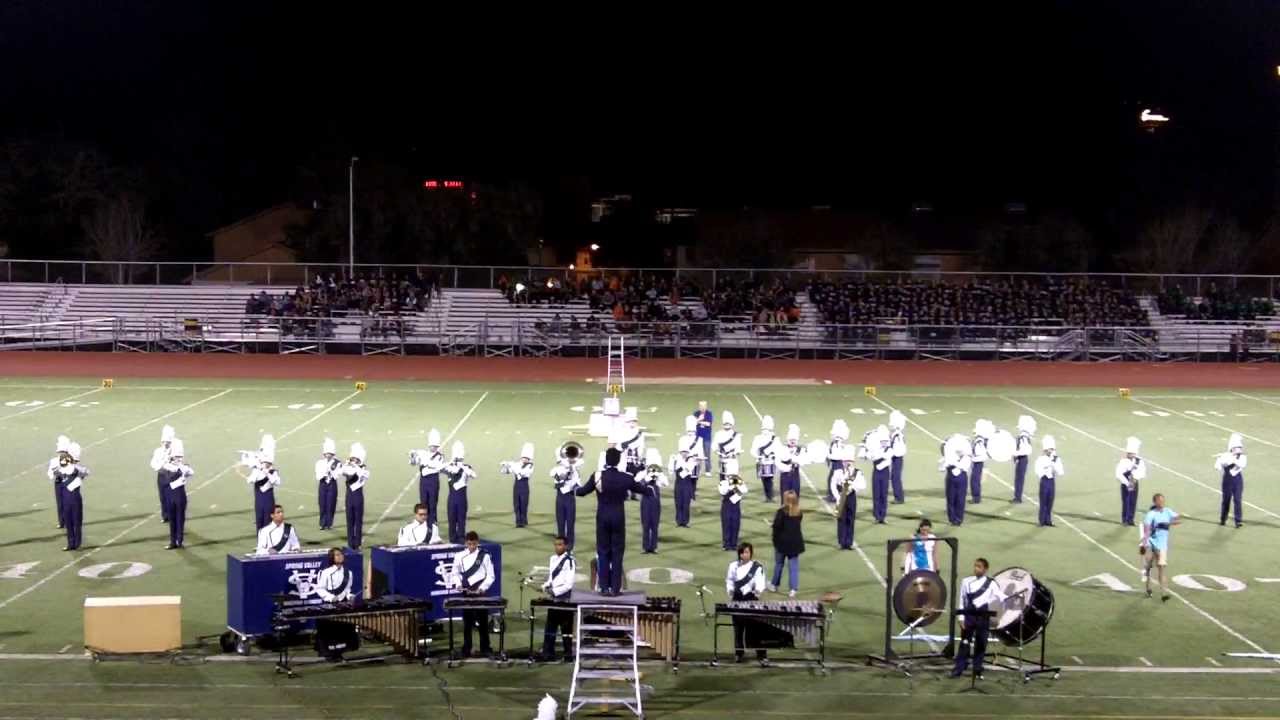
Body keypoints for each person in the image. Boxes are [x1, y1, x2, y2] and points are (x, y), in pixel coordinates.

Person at [575, 448, 652, 596]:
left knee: (602, 551)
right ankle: (616, 588)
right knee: (617, 552)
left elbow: (582, 491)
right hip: (618, 517)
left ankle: (604, 587)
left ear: (606, 460)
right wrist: (650, 486)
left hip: (602, 517)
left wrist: (573, 487)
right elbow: (643, 490)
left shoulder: (598, 476)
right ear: (618, 461)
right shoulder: (626, 477)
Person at [950, 557, 1006, 679]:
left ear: (985, 569)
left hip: (983, 616)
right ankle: (958, 668)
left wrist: (1011, 599)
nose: (976, 569)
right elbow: (962, 600)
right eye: (975, 566)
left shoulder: (991, 583)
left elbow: (1001, 598)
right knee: (965, 643)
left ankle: (977, 669)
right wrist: (961, 618)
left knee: (981, 644)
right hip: (969, 615)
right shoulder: (966, 581)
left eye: (979, 567)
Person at [449, 531, 496, 657]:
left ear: (477, 542)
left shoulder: (484, 556)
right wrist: (458, 584)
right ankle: (466, 648)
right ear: (466, 543)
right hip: (467, 592)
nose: (472, 547)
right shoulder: (459, 556)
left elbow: (490, 576)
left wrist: (482, 588)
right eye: (469, 544)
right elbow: (455, 573)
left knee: (483, 621)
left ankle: (485, 648)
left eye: (474, 544)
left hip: (480, 592)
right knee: (467, 622)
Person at [725, 542, 769, 666]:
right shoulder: (733, 566)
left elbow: (761, 582)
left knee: (756, 629)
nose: (746, 554)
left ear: (751, 553)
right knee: (738, 629)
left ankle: (761, 655)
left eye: (748, 552)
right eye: (743, 552)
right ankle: (739, 653)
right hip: (737, 600)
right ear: (739, 553)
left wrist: (757, 591)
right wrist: (730, 590)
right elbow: (729, 580)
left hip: (751, 599)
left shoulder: (757, 567)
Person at [539, 535, 576, 662]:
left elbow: (568, 584)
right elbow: (551, 578)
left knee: (566, 630)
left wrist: (554, 591)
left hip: (565, 600)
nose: (557, 547)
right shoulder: (553, 559)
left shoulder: (570, 561)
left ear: (565, 546)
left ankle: (568, 654)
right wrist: (545, 586)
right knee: (550, 627)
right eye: (555, 544)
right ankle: (548, 652)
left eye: (560, 544)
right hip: (554, 600)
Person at [1140, 493, 1180, 602]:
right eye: (1160, 501)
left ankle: (1163, 594)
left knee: (1161, 569)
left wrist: (1167, 523)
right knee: (1148, 568)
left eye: (1163, 500)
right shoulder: (1150, 514)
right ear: (1155, 502)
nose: (1162, 502)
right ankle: (1148, 588)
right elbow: (1147, 531)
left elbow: (1178, 519)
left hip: (1162, 546)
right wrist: (1144, 544)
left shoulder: (1168, 511)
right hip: (1151, 544)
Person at [159, 438, 194, 549]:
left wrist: (184, 469)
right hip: (170, 496)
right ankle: (173, 542)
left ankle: (180, 541)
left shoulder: (183, 467)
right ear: (172, 457)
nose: (179, 459)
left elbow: (192, 472)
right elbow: (166, 483)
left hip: (180, 497)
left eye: (180, 457)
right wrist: (179, 478)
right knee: (172, 520)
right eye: (177, 457)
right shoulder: (166, 467)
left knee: (180, 519)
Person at [769, 490, 806, 597]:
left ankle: (774, 585)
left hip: (782, 543)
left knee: (779, 564)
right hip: (795, 543)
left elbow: (777, 527)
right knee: (793, 567)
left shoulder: (781, 512)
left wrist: (773, 528)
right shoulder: (799, 512)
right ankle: (793, 590)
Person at [53, 441, 88, 551]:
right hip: (66, 500)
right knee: (68, 523)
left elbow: (86, 472)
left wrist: (76, 466)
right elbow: (55, 472)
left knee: (76, 522)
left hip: (75, 500)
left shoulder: (76, 470)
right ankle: (70, 543)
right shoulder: (60, 472)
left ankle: (77, 544)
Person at [244, 434, 282, 531]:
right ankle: (260, 543)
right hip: (259, 497)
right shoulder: (257, 471)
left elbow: (277, 482)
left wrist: (267, 473)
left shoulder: (273, 472)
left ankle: (268, 542)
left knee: (268, 519)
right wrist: (258, 470)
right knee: (259, 518)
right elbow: (250, 480)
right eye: (264, 462)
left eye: (267, 463)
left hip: (268, 497)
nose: (265, 464)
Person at [830, 448, 866, 550]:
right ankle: (841, 541)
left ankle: (849, 542)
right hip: (841, 496)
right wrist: (837, 496)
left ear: (853, 462)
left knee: (851, 519)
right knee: (841, 519)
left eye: (850, 461)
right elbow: (833, 484)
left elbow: (863, 485)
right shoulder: (838, 472)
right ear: (842, 462)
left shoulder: (857, 473)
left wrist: (853, 487)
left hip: (851, 497)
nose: (848, 463)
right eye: (846, 461)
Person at [409, 429, 446, 526]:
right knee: (423, 503)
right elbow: (413, 463)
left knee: (432, 504)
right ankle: (423, 523)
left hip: (433, 480)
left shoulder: (440, 456)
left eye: (435, 446)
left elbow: (438, 467)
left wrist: (426, 462)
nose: (433, 447)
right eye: (432, 446)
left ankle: (433, 523)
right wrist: (412, 456)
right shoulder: (423, 453)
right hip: (424, 481)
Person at [443, 441, 477, 544]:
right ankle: (452, 538)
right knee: (452, 519)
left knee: (461, 519)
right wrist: (450, 463)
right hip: (452, 497)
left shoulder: (466, 467)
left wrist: (462, 466)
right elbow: (438, 469)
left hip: (462, 498)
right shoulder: (449, 467)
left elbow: (474, 475)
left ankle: (461, 538)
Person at [639, 448, 669, 553]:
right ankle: (646, 547)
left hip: (655, 501)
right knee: (646, 524)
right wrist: (646, 476)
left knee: (655, 524)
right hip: (646, 501)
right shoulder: (643, 473)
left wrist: (659, 476)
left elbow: (666, 483)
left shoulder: (659, 474)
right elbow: (636, 481)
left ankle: (654, 547)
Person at [1215, 433, 1247, 528]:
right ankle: (1223, 518)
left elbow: (1242, 465)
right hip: (1227, 481)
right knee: (1226, 500)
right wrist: (1219, 460)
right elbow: (1217, 467)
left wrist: (1233, 460)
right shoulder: (1225, 456)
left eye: (1240, 448)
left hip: (1238, 480)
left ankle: (1238, 521)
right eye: (1237, 448)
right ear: (1232, 448)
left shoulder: (1243, 457)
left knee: (1237, 500)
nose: (1239, 450)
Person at [340, 443, 368, 549]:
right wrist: (346, 464)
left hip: (358, 496)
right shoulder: (347, 467)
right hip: (349, 496)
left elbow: (362, 476)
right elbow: (343, 472)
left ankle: (358, 542)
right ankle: (350, 542)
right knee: (350, 520)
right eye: (352, 458)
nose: (353, 460)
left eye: (355, 459)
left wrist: (355, 466)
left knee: (358, 520)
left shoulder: (363, 468)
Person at [501, 442, 536, 528]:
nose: (524, 459)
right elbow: (504, 472)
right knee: (516, 503)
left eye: (526, 458)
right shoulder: (516, 464)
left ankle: (524, 520)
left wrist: (512, 465)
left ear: (529, 459)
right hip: (516, 485)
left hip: (524, 484)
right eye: (523, 458)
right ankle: (518, 521)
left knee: (524, 503)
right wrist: (505, 466)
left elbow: (522, 473)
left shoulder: (530, 466)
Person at [940, 435, 972, 526]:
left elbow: (965, 466)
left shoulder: (966, 457)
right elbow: (942, 468)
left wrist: (952, 462)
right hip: (951, 475)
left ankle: (959, 518)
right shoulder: (950, 456)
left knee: (960, 499)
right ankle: (952, 518)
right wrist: (945, 463)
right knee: (950, 498)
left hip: (961, 476)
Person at [1115, 436, 1145, 526]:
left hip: (1134, 481)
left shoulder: (1139, 461)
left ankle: (1131, 519)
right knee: (1126, 501)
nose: (1130, 454)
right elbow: (1118, 473)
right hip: (1126, 482)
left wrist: (1135, 478)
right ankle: (1125, 519)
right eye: (1129, 453)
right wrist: (1127, 483)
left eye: (1132, 453)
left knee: (1133, 500)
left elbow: (1142, 471)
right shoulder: (1123, 461)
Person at [1035, 435, 1065, 527]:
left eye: (1051, 449)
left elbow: (1061, 472)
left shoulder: (1056, 459)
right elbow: (1037, 470)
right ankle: (1041, 520)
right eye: (1048, 449)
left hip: (1052, 481)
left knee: (1050, 501)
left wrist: (1054, 464)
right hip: (1044, 481)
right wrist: (1044, 471)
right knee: (1043, 501)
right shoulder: (1041, 459)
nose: (1050, 451)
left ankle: (1048, 520)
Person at [149, 425, 176, 523]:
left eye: (167, 442)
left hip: (171, 476)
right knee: (162, 496)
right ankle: (165, 516)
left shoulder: (174, 452)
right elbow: (153, 463)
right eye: (163, 442)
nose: (165, 444)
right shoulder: (158, 451)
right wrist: (159, 467)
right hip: (161, 476)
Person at [751, 415, 780, 502]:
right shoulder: (757, 438)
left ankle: (770, 496)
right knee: (764, 479)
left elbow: (778, 450)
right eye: (764, 429)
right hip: (761, 462)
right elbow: (752, 450)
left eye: (767, 430)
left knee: (770, 479)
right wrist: (758, 456)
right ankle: (768, 496)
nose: (765, 431)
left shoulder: (775, 439)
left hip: (770, 461)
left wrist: (774, 456)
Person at [867, 425, 892, 524]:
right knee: (876, 495)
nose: (884, 443)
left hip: (884, 473)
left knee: (884, 495)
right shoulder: (876, 449)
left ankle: (883, 516)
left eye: (885, 441)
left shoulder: (889, 450)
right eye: (882, 441)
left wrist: (879, 456)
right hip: (876, 473)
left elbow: (888, 460)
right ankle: (877, 516)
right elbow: (871, 457)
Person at [314, 438, 341, 531]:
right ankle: (322, 523)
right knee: (322, 504)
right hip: (323, 484)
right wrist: (325, 472)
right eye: (327, 453)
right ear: (324, 454)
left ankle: (329, 523)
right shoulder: (319, 463)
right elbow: (318, 476)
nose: (328, 455)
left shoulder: (337, 463)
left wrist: (330, 470)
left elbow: (337, 475)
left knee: (331, 504)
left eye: (330, 453)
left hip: (332, 484)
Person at [718, 470, 748, 551]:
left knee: (735, 524)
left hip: (736, 506)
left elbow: (745, 490)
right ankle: (726, 544)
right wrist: (731, 485)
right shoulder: (723, 482)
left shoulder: (739, 481)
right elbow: (722, 491)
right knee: (726, 525)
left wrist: (738, 484)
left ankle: (734, 544)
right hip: (726, 506)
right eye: (730, 475)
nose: (732, 477)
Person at [47, 435, 71, 529]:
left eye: (63, 452)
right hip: (58, 483)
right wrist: (53, 474)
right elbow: (49, 472)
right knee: (60, 503)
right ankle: (62, 522)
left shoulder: (70, 461)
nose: (61, 454)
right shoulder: (53, 461)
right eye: (60, 452)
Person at [671, 446, 698, 527]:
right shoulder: (677, 460)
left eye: (686, 452)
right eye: (683, 452)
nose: (684, 454)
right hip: (678, 483)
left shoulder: (691, 461)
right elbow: (671, 470)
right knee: (678, 503)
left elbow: (688, 471)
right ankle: (679, 521)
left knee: (686, 503)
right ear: (680, 452)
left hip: (687, 483)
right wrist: (672, 460)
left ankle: (685, 521)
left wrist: (691, 460)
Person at [1012, 415, 1036, 503]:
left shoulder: (1023, 437)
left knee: (1019, 479)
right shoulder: (1024, 436)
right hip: (1021, 459)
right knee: (1018, 478)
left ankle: (1018, 498)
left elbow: (1027, 450)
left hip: (1022, 459)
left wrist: (1015, 453)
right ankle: (1017, 496)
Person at [776, 424, 804, 501]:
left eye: (794, 440)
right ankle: (784, 512)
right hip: (785, 476)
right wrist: (786, 468)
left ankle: (794, 512)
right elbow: (777, 462)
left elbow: (804, 461)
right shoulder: (782, 449)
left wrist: (797, 460)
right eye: (791, 440)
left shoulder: (800, 450)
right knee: (785, 495)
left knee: (795, 495)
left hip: (795, 476)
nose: (792, 441)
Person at [713, 411, 742, 484]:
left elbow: (738, 448)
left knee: (735, 482)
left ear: (732, 424)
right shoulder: (718, 434)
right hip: (722, 460)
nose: (727, 425)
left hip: (732, 461)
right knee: (723, 482)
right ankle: (725, 494)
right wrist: (717, 452)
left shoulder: (736, 435)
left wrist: (735, 453)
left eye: (728, 424)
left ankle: (736, 492)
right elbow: (714, 446)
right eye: (725, 424)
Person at [825, 420, 850, 503]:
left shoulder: (840, 443)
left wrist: (828, 456)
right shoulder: (834, 443)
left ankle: (835, 496)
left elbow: (838, 456)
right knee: (831, 479)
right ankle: (832, 495)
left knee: (836, 480)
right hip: (835, 464)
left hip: (839, 464)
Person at [970, 420, 993, 504]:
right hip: (978, 462)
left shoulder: (979, 440)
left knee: (974, 480)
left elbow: (979, 453)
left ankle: (976, 498)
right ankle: (976, 497)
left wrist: (971, 457)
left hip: (977, 463)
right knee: (975, 480)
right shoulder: (981, 439)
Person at [620, 408, 646, 476]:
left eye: (634, 421)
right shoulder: (622, 432)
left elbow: (641, 448)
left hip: (635, 463)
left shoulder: (640, 434)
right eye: (630, 421)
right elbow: (620, 447)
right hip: (624, 462)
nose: (632, 423)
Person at [888, 411, 907, 504]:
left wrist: (890, 453)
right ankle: (898, 496)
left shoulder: (897, 435)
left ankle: (899, 497)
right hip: (895, 458)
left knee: (895, 477)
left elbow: (900, 450)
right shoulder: (894, 434)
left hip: (897, 459)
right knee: (894, 477)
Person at [693, 401, 714, 476]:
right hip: (697, 438)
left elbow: (708, 424)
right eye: (701, 406)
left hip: (706, 437)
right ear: (699, 406)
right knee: (697, 455)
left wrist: (699, 421)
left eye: (704, 406)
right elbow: (692, 422)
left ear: (706, 406)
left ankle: (708, 470)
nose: (702, 407)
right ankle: (697, 470)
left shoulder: (709, 413)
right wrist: (699, 419)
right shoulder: (696, 413)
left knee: (707, 454)